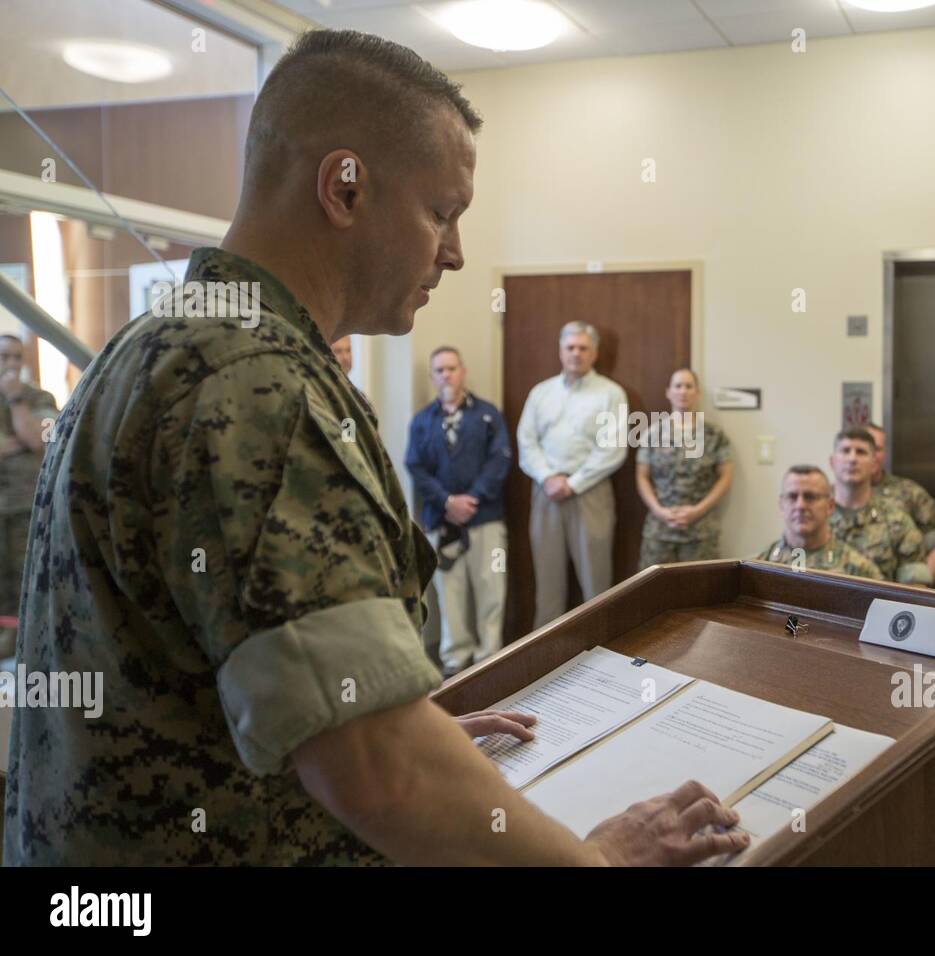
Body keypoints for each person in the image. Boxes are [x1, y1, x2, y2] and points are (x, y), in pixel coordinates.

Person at [3, 30, 745, 867]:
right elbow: (379, 776)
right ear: (344, 188)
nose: (456, 253)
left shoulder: (155, 344)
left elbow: (220, 680)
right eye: (442, 212)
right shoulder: (260, 387)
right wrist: (603, 862)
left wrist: (377, 720)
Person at [405, 346, 511, 674]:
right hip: (441, 521)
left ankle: (489, 656)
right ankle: (455, 659)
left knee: (490, 589)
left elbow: (500, 459)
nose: (446, 374)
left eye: (451, 368)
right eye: (439, 370)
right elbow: (415, 467)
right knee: (449, 595)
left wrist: (472, 499)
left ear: (462, 372)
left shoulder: (487, 414)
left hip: (485, 519)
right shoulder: (422, 421)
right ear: (432, 377)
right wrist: (448, 502)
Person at [517, 322, 628, 628]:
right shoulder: (541, 392)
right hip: (546, 492)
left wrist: (574, 483)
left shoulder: (610, 393)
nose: (576, 354)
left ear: (594, 353)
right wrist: (548, 478)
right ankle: (543, 657)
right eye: (570, 348)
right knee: (547, 582)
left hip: (590, 491)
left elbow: (613, 448)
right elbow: (527, 441)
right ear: (560, 351)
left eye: (583, 348)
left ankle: (602, 649)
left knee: (596, 582)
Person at [635, 368, 733, 568]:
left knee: (701, 593)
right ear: (668, 392)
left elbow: (725, 477)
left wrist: (697, 510)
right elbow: (642, 476)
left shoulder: (713, 434)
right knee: (652, 593)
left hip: (700, 531)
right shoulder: (653, 433)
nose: (683, 391)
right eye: (677, 386)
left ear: (697, 393)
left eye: (689, 386)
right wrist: (659, 510)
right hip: (660, 530)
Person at [0, 333, 58, 658]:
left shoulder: (38, 398)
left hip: (28, 510)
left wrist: (15, 401)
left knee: (29, 581)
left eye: (16, 357)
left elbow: (37, 440)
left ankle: (26, 648)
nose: (10, 364)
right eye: (3, 356)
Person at [827, 429, 930, 585]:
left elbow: (917, 589)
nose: (852, 459)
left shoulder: (897, 522)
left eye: (861, 452)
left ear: (874, 464)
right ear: (832, 462)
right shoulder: (812, 518)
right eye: (845, 451)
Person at [757, 465, 882, 579]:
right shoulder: (761, 566)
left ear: (830, 506)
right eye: (792, 497)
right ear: (781, 505)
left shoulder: (858, 570)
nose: (800, 505)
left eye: (810, 497)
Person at [864, 422, 935, 583]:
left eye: (877, 449)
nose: (871, 455)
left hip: (897, 593)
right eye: (864, 449)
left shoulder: (909, 492)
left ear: (884, 453)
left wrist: (924, 587)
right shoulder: (829, 497)